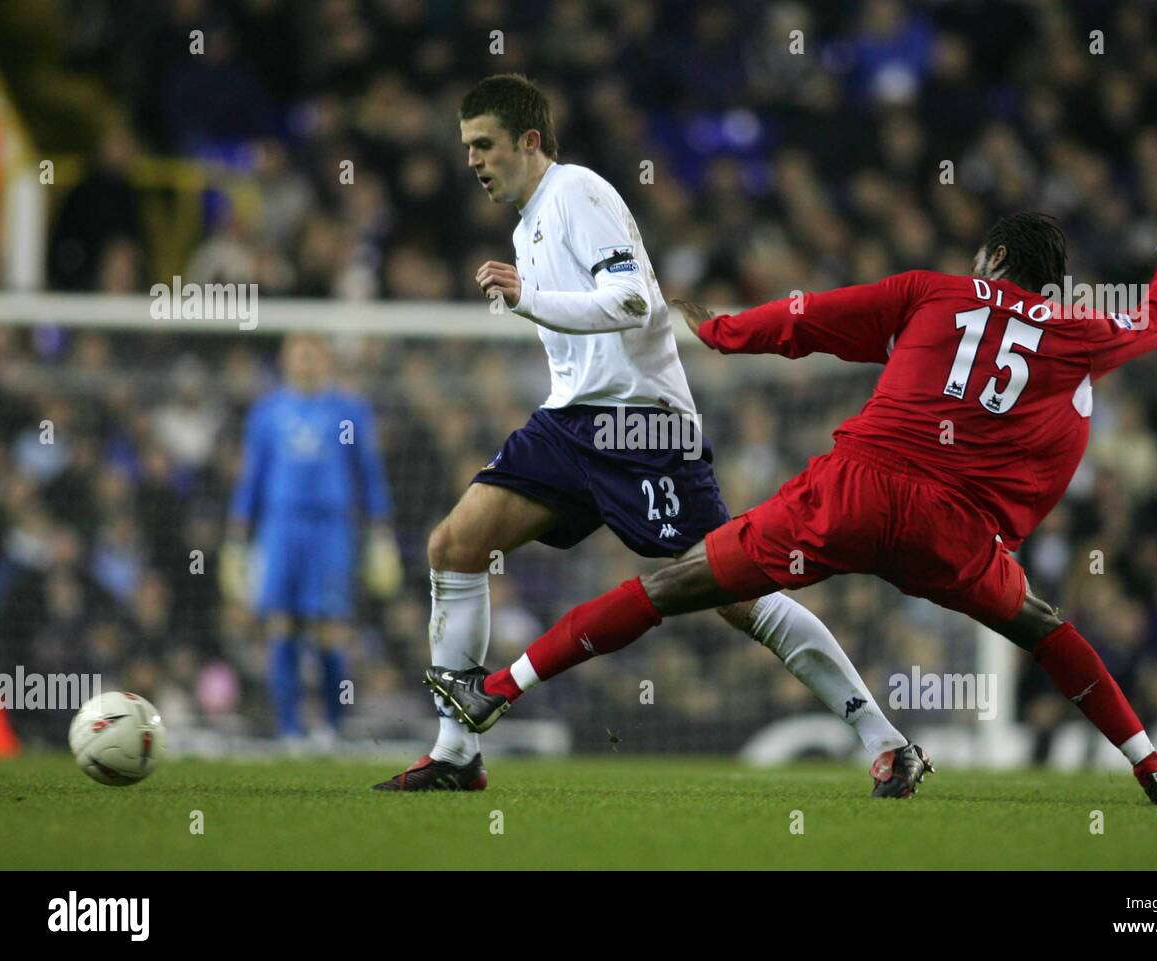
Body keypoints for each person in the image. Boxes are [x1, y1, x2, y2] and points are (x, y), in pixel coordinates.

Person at [428, 190, 1157, 806]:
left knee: (674, 585)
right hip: (954, 533)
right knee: (1044, 626)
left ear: (995, 256)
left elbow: (811, 319)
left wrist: (727, 330)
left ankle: (498, 688)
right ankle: (1152, 765)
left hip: (854, 494)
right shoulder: (1078, 332)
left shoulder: (933, 292)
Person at [374, 74, 921, 794]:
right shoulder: (525, 223)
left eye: (485, 144)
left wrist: (527, 296)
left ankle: (884, 739)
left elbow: (634, 299)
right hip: (572, 422)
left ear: (529, 141)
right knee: (455, 543)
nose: (473, 160)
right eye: (467, 147)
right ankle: (455, 754)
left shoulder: (577, 193)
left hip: (641, 424)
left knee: (737, 589)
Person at [226, 333, 397, 743]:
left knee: (330, 626)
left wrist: (380, 532)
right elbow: (253, 475)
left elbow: (368, 472)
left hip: (331, 526)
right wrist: (236, 533)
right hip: (280, 526)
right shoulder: (267, 413)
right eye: (297, 354)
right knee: (281, 624)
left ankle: (331, 729)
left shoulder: (348, 411)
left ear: (326, 360)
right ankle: (289, 729)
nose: (305, 361)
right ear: (285, 360)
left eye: (312, 354)